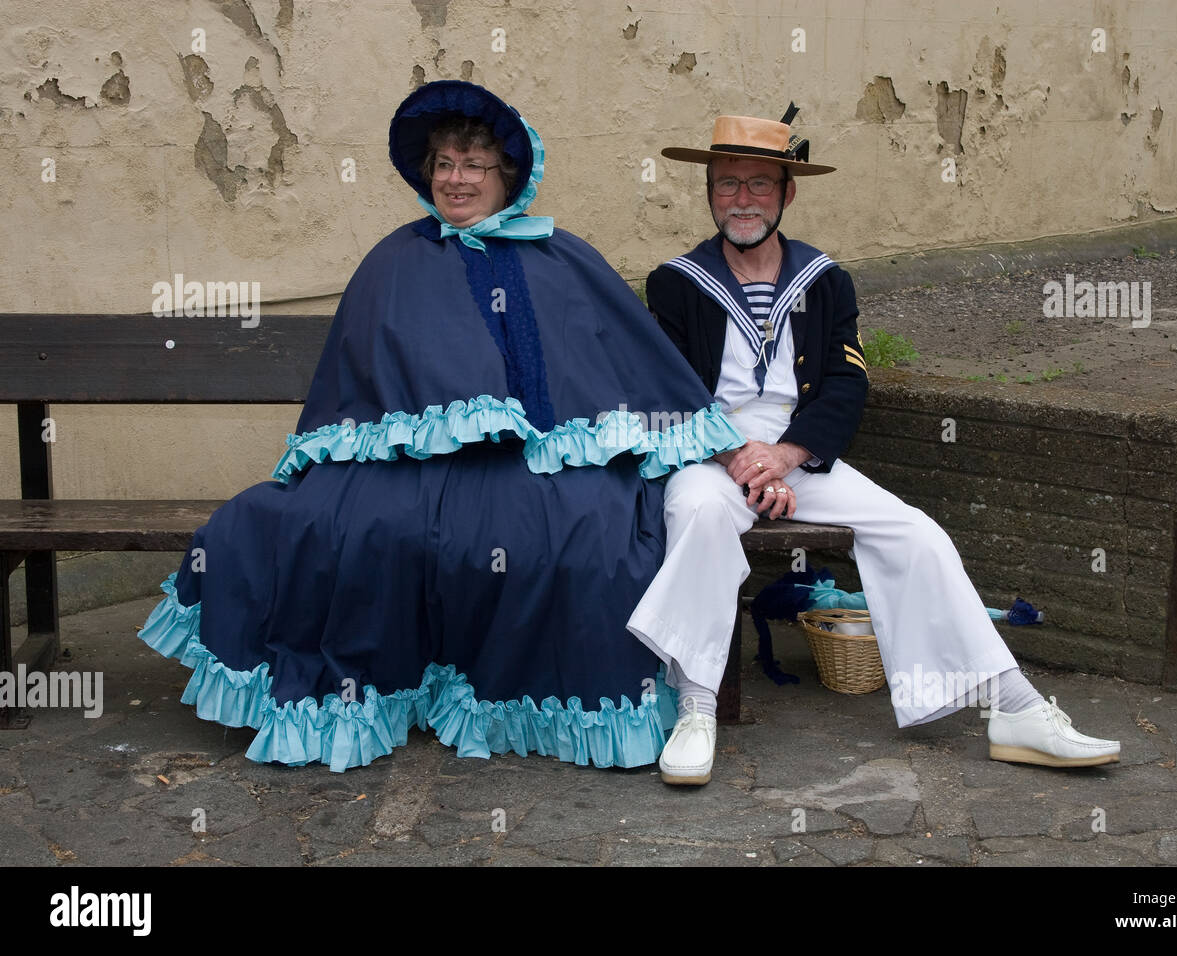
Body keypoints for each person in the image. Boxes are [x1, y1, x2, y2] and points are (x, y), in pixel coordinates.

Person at [138, 81, 743, 772]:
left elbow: (623, 361)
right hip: (408, 471)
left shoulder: (563, 256)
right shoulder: (395, 260)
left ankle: (541, 698)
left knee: (592, 538)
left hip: (540, 469)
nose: (456, 179)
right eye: (443, 164)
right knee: (325, 528)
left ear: (508, 174)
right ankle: (376, 694)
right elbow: (361, 384)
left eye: (473, 165)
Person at [626, 108, 1122, 785]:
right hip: (714, 456)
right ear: (709, 192)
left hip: (800, 456)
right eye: (727, 185)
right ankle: (694, 707)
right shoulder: (676, 283)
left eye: (759, 185)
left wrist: (787, 456)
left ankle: (1013, 708)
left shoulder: (826, 280)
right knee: (699, 514)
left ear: (787, 193)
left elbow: (844, 385)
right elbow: (670, 389)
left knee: (915, 534)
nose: (742, 200)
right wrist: (740, 455)